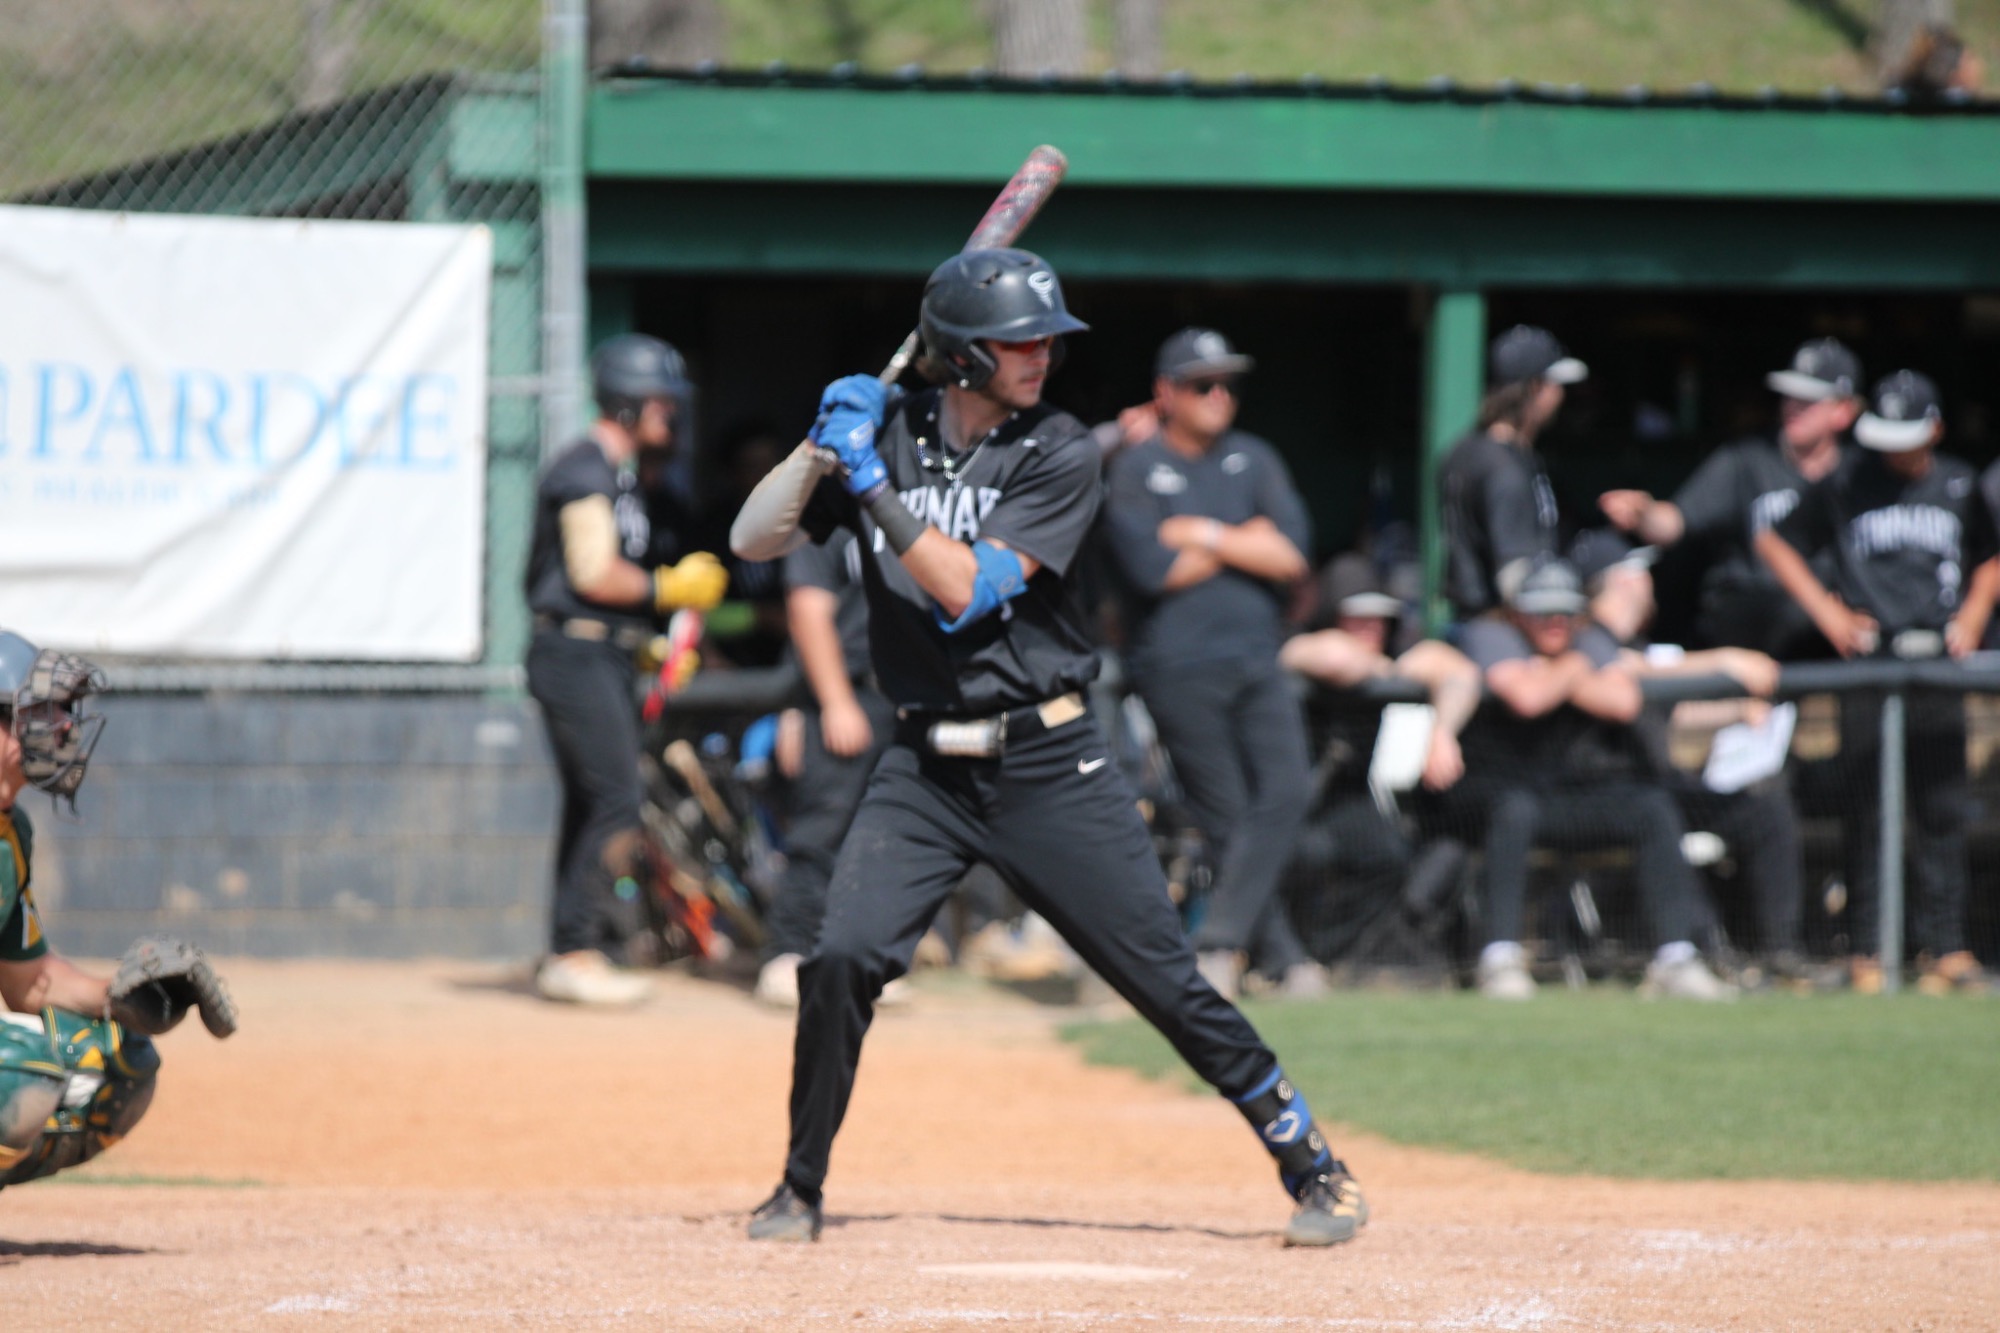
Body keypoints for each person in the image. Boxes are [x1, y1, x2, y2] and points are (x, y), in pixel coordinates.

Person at [730, 248, 1369, 1248]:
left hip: (1047, 764)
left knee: (1163, 981)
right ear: (958, 353)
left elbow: (964, 589)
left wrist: (871, 487)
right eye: (1018, 340)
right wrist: (820, 451)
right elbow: (752, 540)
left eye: (1046, 339)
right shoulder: (886, 433)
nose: (1040, 355)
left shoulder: (1062, 448)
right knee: (842, 955)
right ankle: (797, 1188)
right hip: (923, 768)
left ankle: (1312, 1165)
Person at [1755, 370, 1999, 995]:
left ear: (1934, 429)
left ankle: (1945, 949)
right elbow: (1775, 542)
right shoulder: (1846, 481)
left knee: (1941, 809)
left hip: (1935, 665)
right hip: (1870, 663)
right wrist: (1828, 612)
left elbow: (1990, 557)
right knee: (1868, 812)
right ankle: (1866, 948)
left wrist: (1973, 615)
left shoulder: (1960, 484)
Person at [1099, 327, 1317, 1000]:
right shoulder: (1136, 468)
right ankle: (1280, 959)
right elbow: (1151, 569)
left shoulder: (1255, 458)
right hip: (1177, 663)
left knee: (1285, 793)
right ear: (1166, 393)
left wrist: (1204, 532)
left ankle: (1226, 944)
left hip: (1257, 655)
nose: (1220, 396)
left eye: (1228, 384)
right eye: (1203, 384)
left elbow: (1292, 556)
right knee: (1225, 814)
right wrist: (1246, 541)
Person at [524, 334, 730, 1006]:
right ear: (629, 402)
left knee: (593, 800)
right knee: (616, 796)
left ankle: (572, 946)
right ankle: (577, 949)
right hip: (573, 654)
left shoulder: (623, 476)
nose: (670, 417)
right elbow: (592, 573)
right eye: (661, 404)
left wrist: (637, 642)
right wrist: (668, 590)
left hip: (597, 651)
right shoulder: (584, 466)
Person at [0, 630, 237, 1187]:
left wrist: (119, 997)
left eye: (60, 712)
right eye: (38, 712)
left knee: (112, 1064)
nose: (61, 727)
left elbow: (27, 982)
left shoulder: (10, 835)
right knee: (17, 1070)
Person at [1458, 559, 1736, 1000]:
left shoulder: (1589, 641)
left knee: (1652, 809)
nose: (1554, 622)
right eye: (1541, 612)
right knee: (1514, 812)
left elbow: (1623, 702)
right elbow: (1526, 698)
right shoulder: (1492, 634)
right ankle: (1500, 959)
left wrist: (1558, 673)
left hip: (1576, 795)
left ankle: (1676, 959)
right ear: (1516, 612)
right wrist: (1573, 671)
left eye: (1565, 612)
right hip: (1502, 797)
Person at [1569, 530, 1810, 982]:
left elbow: (1670, 709)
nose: (1649, 583)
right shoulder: (1586, 639)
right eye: (1641, 574)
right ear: (1622, 582)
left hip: (1662, 788)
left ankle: (1780, 951)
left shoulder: (1636, 644)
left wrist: (1739, 710)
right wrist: (1728, 662)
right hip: (1605, 796)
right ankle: (1696, 953)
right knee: (1658, 814)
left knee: (1765, 812)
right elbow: (1637, 678)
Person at [1276, 556, 1482, 967]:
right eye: (1358, 618)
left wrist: (1442, 732)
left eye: (1379, 618)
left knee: (1387, 858)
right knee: (1308, 856)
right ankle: (1282, 957)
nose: (1371, 627)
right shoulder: (1298, 643)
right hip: (1286, 795)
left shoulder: (1391, 659)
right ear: (1333, 616)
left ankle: (1331, 956)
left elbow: (1458, 671)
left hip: (1345, 796)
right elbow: (1336, 660)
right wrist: (1388, 670)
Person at [1598, 338, 1862, 658]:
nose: (1793, 408)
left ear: (1844, 410)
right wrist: (1645, 514)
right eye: (1789, 397)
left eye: (1808, 400)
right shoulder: (1744, 460)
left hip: (1832, 629)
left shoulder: (1859, 474)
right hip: (1752, 620)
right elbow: (1676, 521)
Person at [753, 528, 897, 1008]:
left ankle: (864, 958)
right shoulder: (830, 515)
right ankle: (790, 953)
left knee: (893, 835)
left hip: (906, 695)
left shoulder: (925, 499)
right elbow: (807, 610)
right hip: (844, 692)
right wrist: (832, 701)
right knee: (823, 830)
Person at [1439, 326, 1587, 621]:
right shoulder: (1502, 469)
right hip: (1500, 630)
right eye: (1554, 385)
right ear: (1534, 388)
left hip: (1474, 623)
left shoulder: (1464, 450)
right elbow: (1515, 579)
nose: (1560, 395)